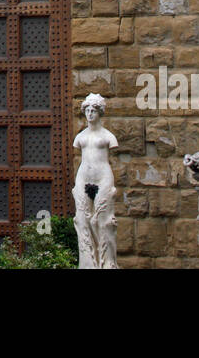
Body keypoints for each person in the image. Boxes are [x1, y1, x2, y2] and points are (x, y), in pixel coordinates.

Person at [72, 92, 118, 269]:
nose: (90, 114)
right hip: (83, 178)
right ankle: (87, 264)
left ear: (100, 113)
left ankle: (107, 264)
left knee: (103, 220)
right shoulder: (80, 137)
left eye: (94, 110)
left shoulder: (108, 137)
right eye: (87, 110)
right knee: (82, 219)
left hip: (103, 179)